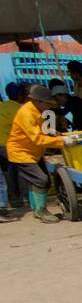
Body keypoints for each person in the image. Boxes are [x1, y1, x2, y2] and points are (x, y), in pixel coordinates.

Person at [5, 84, 68, 223]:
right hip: (22, 153)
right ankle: (41, 211)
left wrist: (53, 133)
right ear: (39, 101)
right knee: (41, 179)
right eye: (47, 104)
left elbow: (41, 129)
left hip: (33, 151)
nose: (49, 107)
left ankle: (37, 209)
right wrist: (62, 141)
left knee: (40, 180)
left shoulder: (36, 111)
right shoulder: (26, 113)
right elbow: (37, 138)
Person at [0, 82, 25, 211]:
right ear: (20, 95)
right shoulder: (19, 108)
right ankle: (18, 199)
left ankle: (9, 200)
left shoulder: (4, 107)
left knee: (5, 174)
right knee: (18, 171)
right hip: (9, 146)